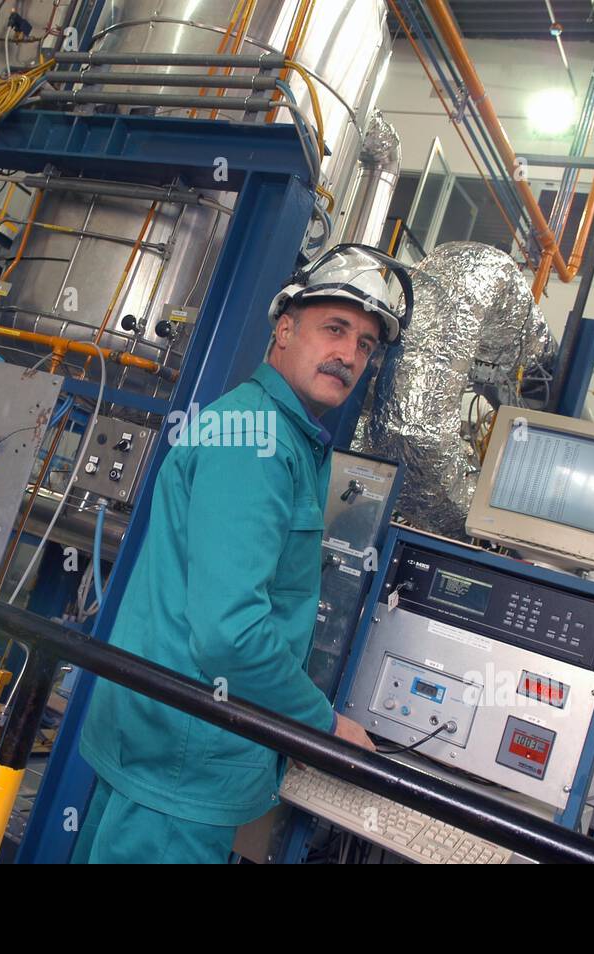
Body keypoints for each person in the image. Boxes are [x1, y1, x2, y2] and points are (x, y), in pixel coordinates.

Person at [73, 244, 413, 863]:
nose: (348, 354)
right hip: (184, 757)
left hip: (162, 740)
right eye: (334, 329)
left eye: (365, 344)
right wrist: (325, 726)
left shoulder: (282, 434)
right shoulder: (257, 442)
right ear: (284, 329)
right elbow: (230, 633)